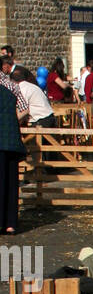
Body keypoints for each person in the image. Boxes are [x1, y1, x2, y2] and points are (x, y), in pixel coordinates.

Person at [0, 82, 26, 232]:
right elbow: (22, 111)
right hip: (11, 141)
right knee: (10, 183)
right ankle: (10, 223)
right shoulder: (10, 91)